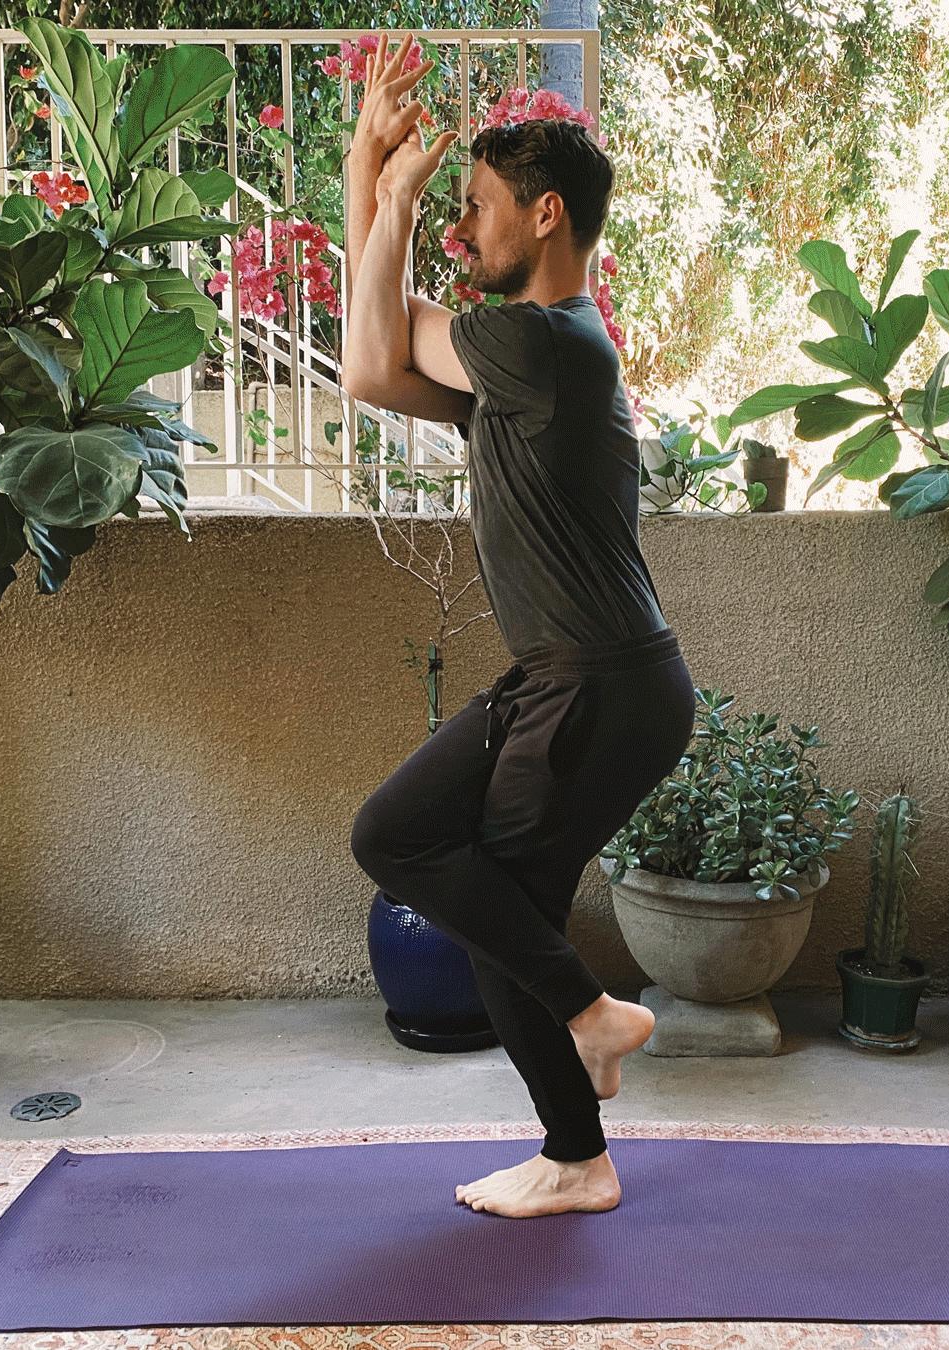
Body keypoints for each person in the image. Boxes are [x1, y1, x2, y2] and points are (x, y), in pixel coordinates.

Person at [340, 33, 696, 1219]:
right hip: (583, 679)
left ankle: (593, 1031)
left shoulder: (541, 344)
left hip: (599, 685)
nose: (462, 230)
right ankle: (576, 1151)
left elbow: (384, 329)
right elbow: (371, 367)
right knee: (490, 902)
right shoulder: (535, 364)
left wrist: (384, 197)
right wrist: (367, 178)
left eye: (480, 209)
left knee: (406, 841)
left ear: (547, 216)